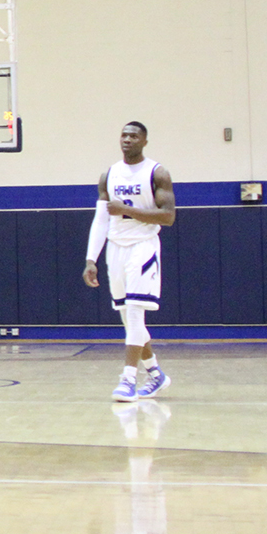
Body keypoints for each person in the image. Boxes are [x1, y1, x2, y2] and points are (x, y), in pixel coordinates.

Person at [86, 121, 176, 402]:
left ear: (144, 141)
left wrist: (126, 209)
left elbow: (168, 217)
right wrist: (91, 259)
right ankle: (155, 373)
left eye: (134, 136)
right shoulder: (109, 174)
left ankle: (128, 379)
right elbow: (101, 219)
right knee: (127, 318)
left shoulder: (157, 172)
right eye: (124, 135)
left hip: (143, 246)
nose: (127, 139)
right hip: (116, 247)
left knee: (135, 314)